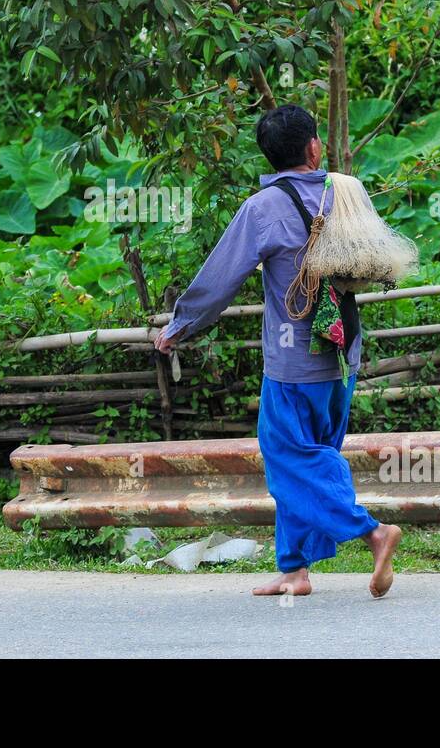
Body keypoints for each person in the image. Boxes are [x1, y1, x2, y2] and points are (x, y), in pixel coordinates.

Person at [153, 104, 401, 598]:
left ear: (269, 156)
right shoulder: (347, 192)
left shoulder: (262, 208)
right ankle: (295, 570)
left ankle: (373, 533)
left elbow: (221, 276)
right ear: (313, 147)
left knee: (287, 456)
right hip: (341, 352)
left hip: (293, 362)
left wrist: (181, 325)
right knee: (314, 455)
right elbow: (377, 263)